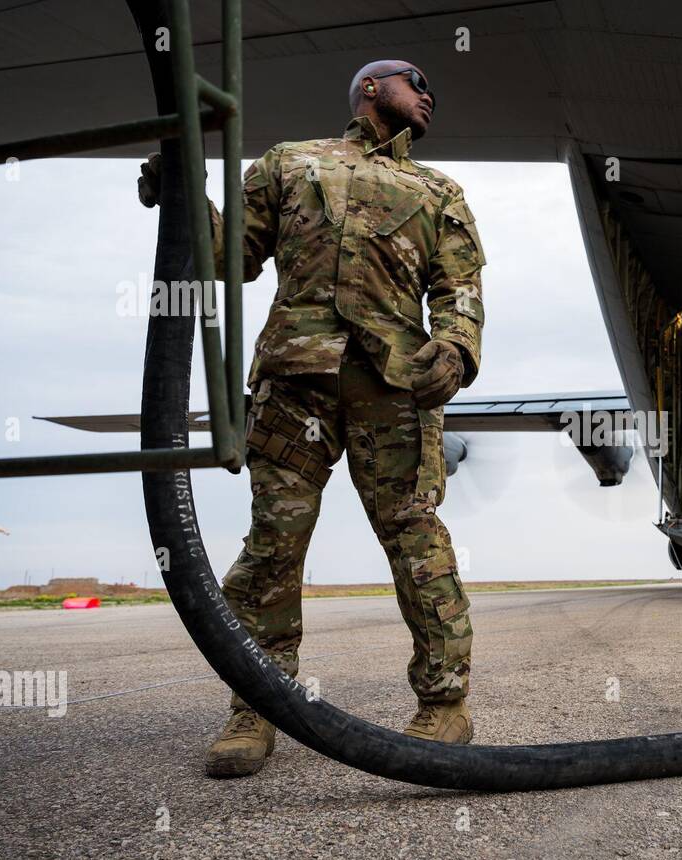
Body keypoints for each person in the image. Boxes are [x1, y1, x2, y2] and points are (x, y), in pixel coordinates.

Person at [138, 59, 486, 777]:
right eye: (414, 82)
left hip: (393, 386)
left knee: (416, 538)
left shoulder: (439, 190)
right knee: (274, 543)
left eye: (431, 93)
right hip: (295, 381)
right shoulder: (288, 164)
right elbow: (233, 256)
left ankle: (445, 702)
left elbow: (460, 286)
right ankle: (257, 706)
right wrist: (182, 196)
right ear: (368, 87)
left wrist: (456, 345)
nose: (427, 97)